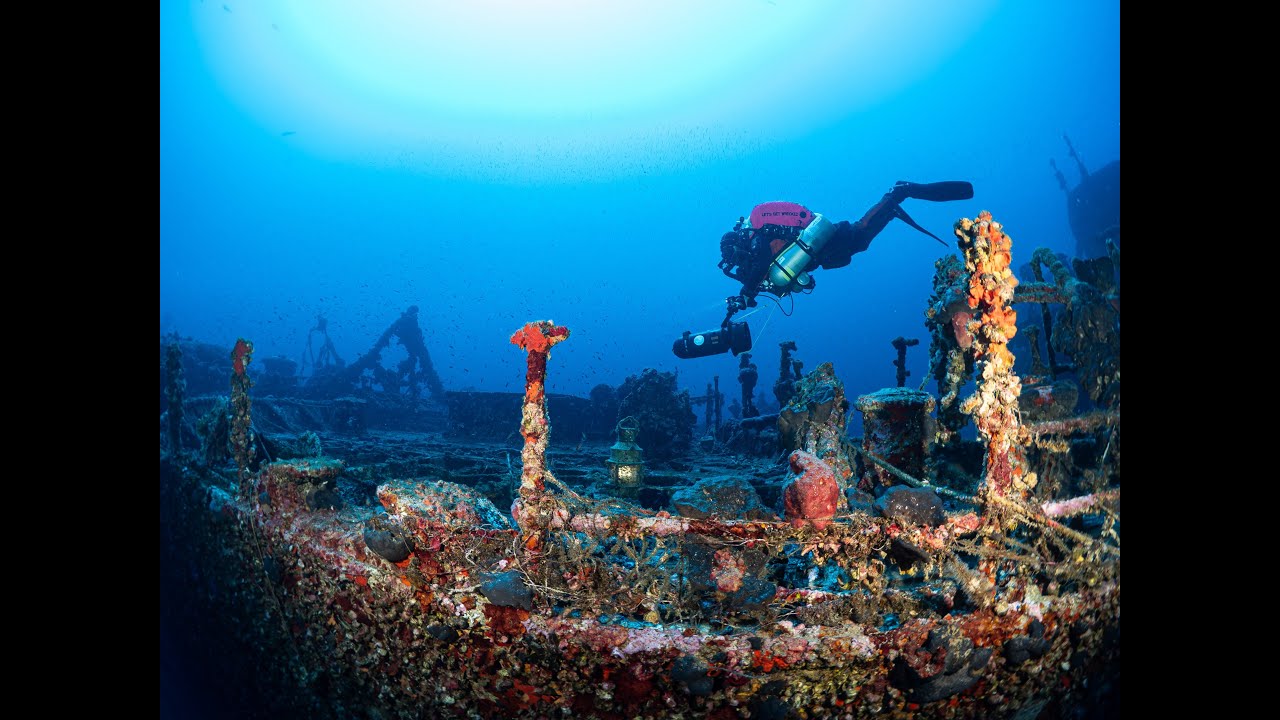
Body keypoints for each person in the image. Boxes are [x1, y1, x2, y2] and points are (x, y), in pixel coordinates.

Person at [673, 180, 973, 360]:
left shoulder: (757, 241)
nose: (738, 265)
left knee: (860, 235)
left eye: (735, 259)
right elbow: (776, 276)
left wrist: (746, 291)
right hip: (822, 251)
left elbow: (764, 264)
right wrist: (749, 293)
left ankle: (897, 194)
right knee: (860, 239)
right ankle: (893, 202)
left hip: (828, 240)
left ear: (737, 246)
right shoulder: (756, 249)